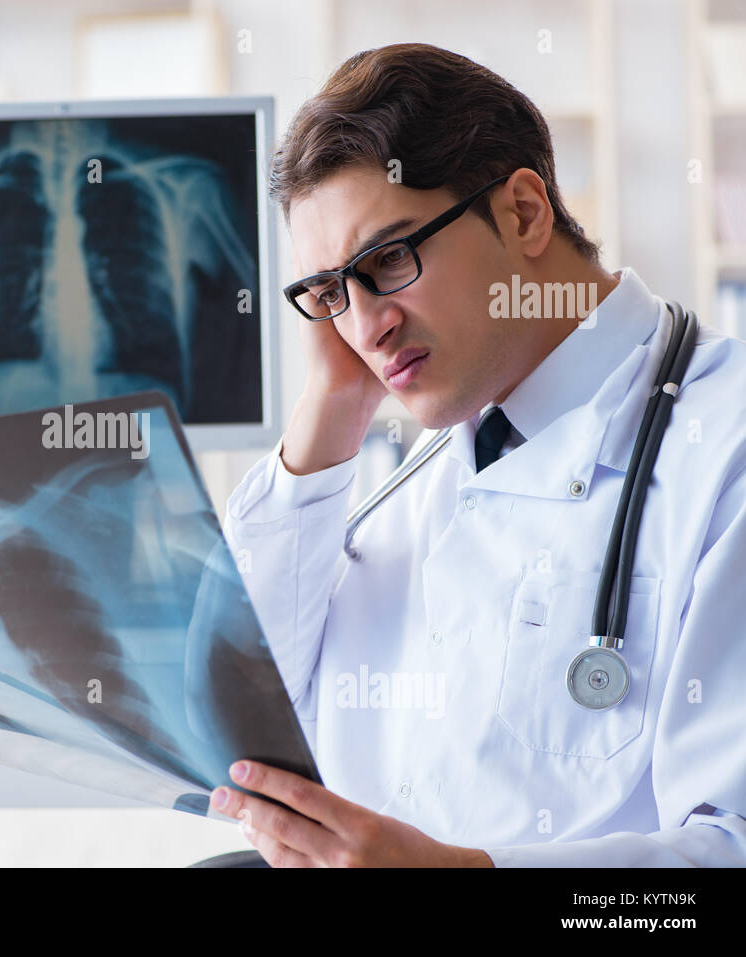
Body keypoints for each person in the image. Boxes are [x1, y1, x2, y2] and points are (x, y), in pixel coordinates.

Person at [204, 42, 746, 867]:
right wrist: (328, 416)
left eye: (387, 259)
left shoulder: (725, 446)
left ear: (524, 213)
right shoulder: (410, 465)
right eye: (329, 294)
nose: (364, 327)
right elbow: (223, 719)